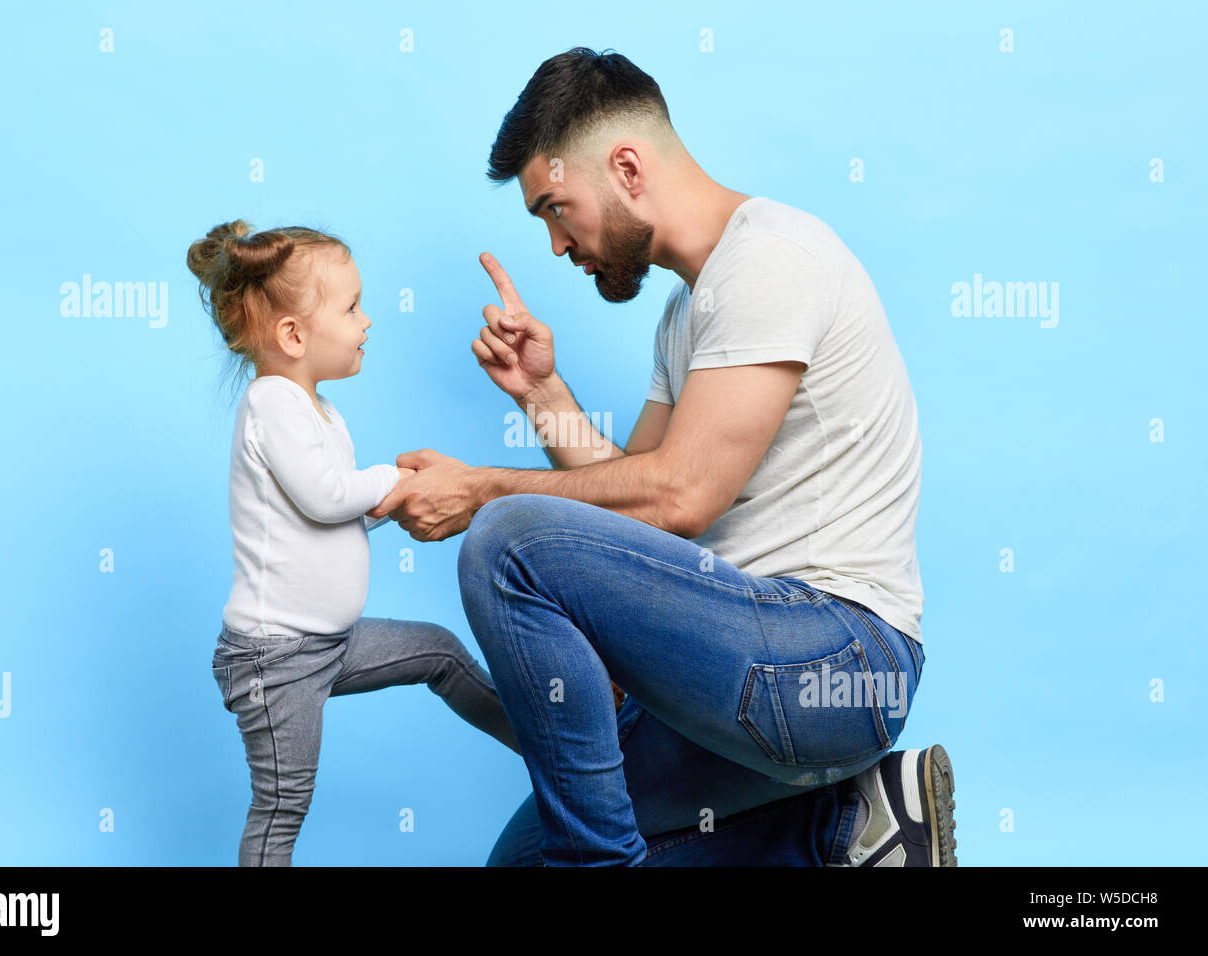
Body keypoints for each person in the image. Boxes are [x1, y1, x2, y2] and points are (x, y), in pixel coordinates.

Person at [370, 48, 957, 866]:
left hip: (840, 661)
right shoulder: (687, 312)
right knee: (523, 858)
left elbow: (680, 496)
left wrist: (476, 493)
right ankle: (848, 828)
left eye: (555, 207)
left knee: (504, 543)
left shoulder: (772, 257)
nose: (554, 243)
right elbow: (637, 522)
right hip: (748, 664)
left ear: (626, 167)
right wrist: (544, 396)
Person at [187, 220, 522, 866]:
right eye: (351, 308)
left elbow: (332, 510)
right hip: (275, 662)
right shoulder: (272, 403)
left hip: (330, 645)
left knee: (439, 653)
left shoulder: (320, 412)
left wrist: (389, 503)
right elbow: (326, 495)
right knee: (282, 808)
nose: (367, 320)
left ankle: (552, 747)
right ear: (293, 336)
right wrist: (392, 482)